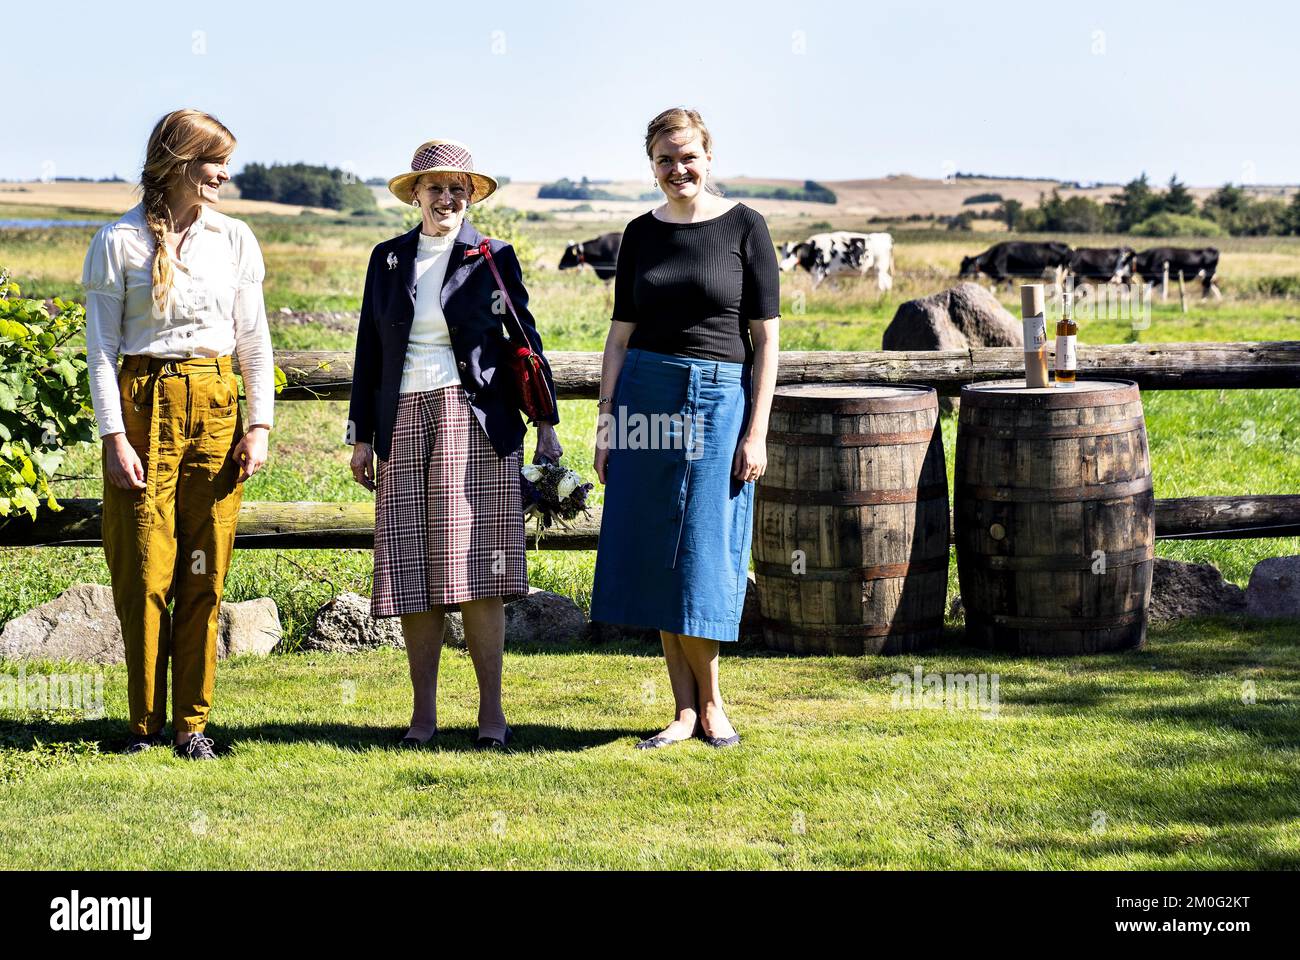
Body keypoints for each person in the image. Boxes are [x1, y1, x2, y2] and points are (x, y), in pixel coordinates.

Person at [347, 139, 561, 750]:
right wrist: (361, 436)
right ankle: (423, 715)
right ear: (414, 193)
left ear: (471, 196)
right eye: (435, 187)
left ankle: (492, 713)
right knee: (414, 565)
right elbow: (369, 350)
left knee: (479, 570)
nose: (446, 198)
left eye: (457, 189)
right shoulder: (387, 260)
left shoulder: (493, 257)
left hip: (477, 423)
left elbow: (525, 341)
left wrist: (545, 426)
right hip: (402, 423)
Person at [82, 109, 274, 760]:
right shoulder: (118, 242)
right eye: (213, 161)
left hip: (217, 408)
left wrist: (260, 424)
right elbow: (102, 351)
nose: (223, 174)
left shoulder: (235, 240)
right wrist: (113, 437)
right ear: (177, 164)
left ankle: (194, 726)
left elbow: (254, 340)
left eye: (225, 161)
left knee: (204, 568)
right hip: (141, 408)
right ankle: (144, 726)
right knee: (143, 569)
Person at [590, 108, 780, 749]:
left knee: (703, 550)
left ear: (708, 155)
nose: (678, 170)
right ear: (651, 166)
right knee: (655, 548)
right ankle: (681, 711)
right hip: (645, 392)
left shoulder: (746, 227)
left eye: (687, 156)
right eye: (665, 160)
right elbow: (618, 338)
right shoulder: (640, 233)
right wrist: (606, 421)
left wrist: (756, 432)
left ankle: (714, 703)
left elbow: (766, 342)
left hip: (718, 398)